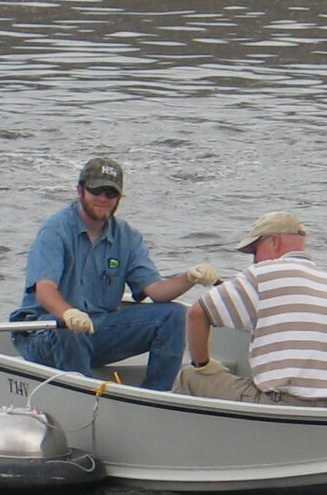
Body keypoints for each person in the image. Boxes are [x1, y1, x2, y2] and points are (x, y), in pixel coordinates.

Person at [13, 156, 219, 392]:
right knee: (69, 331)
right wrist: (68, 313)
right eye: (96, 190)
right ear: (80, 191)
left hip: (97, 329)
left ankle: (156, 396)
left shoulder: (127, 237)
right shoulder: (55, 230)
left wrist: (190, 277)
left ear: (119, 198)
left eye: (110, 193)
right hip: (44, 333)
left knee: (174, 315)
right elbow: (44, 291)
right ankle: (85, 396)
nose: (103, 198)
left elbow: (157, 292)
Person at [173, 210, 327, 406]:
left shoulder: (261, 274)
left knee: (189, 376)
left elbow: (197, 313)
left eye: (255, 251)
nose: (254, 260)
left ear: (274, 242)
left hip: (282, 403)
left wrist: (203, 364)